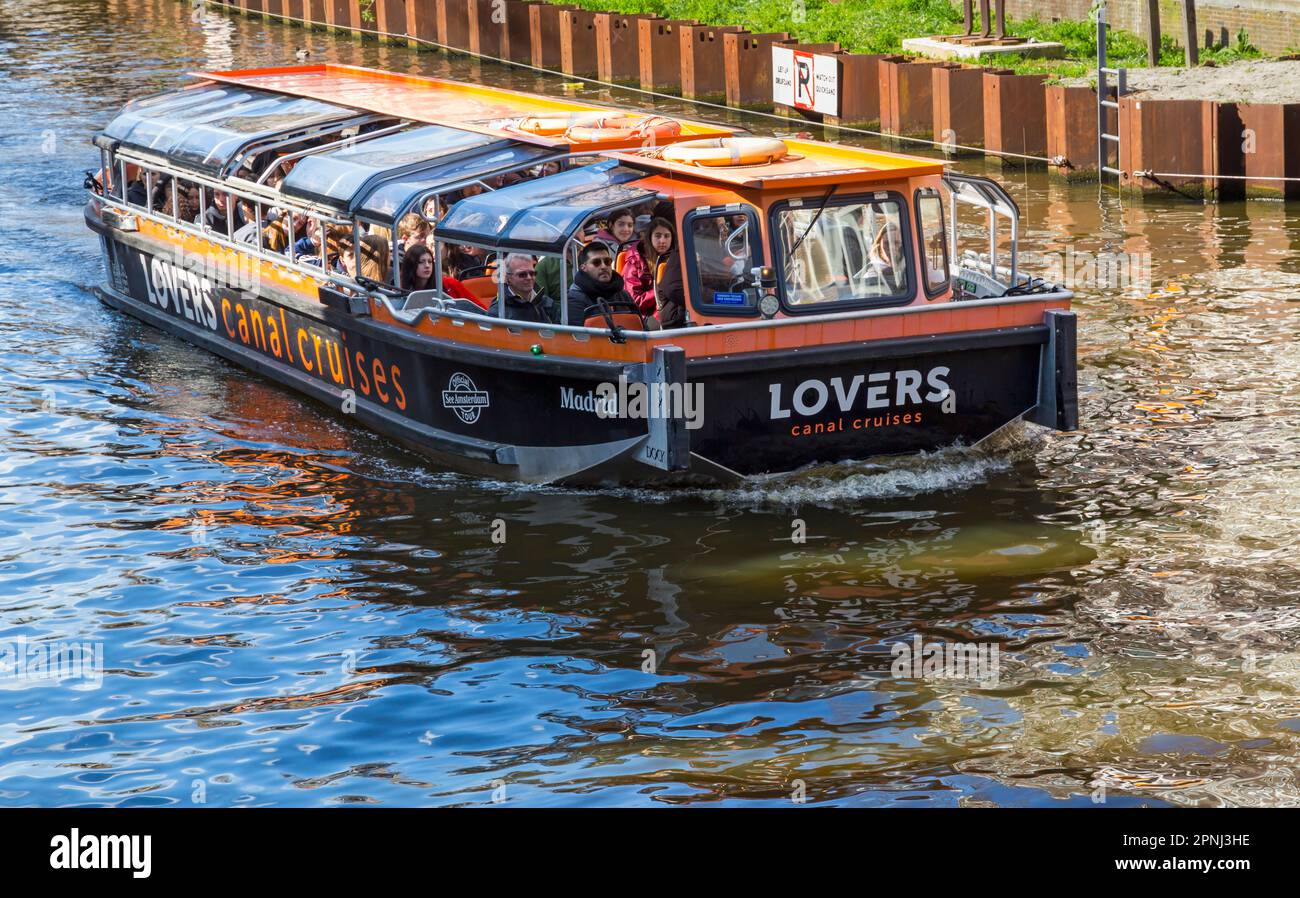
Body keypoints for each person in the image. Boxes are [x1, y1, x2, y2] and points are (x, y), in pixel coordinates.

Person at [566, 243, 643, 327]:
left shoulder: (623, 294)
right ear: (583, 268)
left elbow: (642, 328)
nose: (603, 266)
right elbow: (577, 336)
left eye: (607, 262)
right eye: (596, 262)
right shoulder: (575, 298)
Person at [620, 217, 675, 315]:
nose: (662, 241)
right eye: (658, 236)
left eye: (667, 236)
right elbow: (635, 301)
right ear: (649, 238)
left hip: (673, 308)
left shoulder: (679, 257)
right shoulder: (635, 261)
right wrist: (660, 291)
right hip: (647, 315)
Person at [489, 254, 559, 324]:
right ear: (508, 278)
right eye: (522, 274)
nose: (529, 278)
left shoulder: (547, 303)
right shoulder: (498, 311)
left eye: (532, 273)